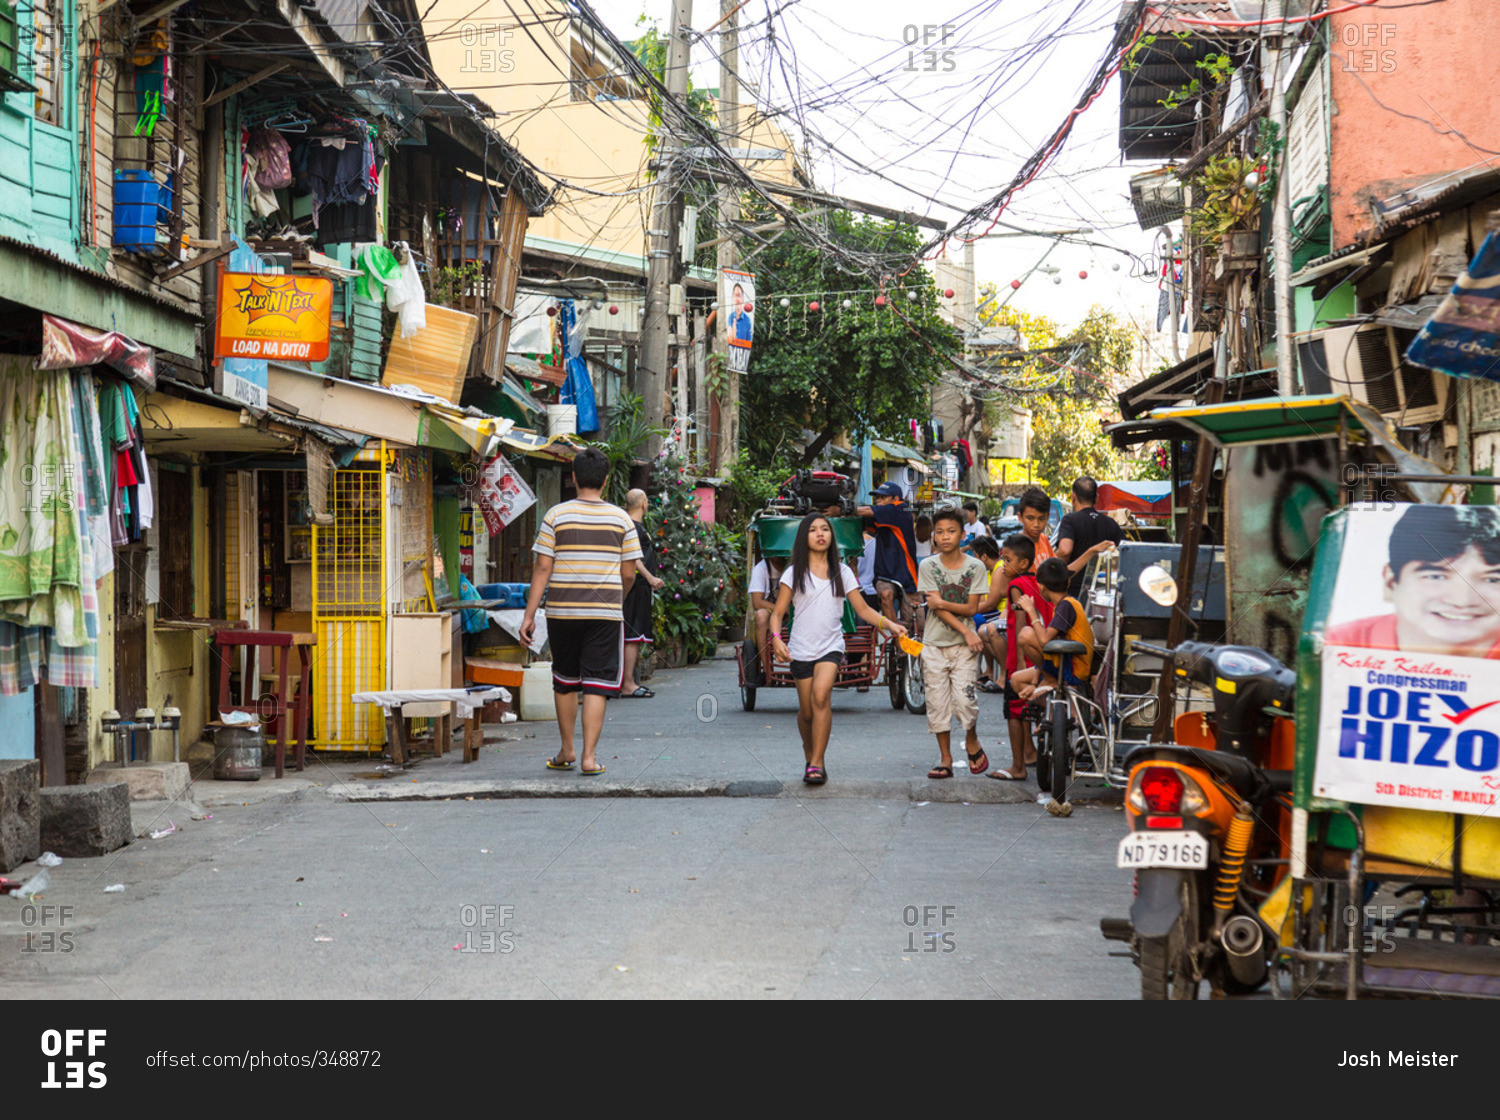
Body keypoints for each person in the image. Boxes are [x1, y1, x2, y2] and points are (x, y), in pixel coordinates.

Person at [519, 447, 640, 776]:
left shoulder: (555, 516)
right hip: (604, 615)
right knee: (598, 683)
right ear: (605, 480)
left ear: (573, 478)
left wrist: (529, 615)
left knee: (566, 679)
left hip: (562, 612)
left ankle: (566, 750)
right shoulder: (621, 519)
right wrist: (616, 598)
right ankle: (589, 757)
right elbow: (629, 574)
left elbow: (543, 567)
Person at [769, 513, 905, 784]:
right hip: (800, 649)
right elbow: (777, 613)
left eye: (825, 529)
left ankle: (818, 762)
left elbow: (864, 610)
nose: (820, 534)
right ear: (803, 537)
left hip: (831, 646)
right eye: (813, 530)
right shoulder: (793, 573)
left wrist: (891, 624)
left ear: (832, 537)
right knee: (806, 711)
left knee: (821, 697)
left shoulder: (842, 572)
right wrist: (775, 638)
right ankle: (810, 757)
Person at [1325, 505, 1500, 658]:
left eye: (1492, 579)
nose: (1462, 600)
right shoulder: (1338, 645)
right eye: (1436, 576)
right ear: (1391, 582)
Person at [917, 507, 990, 779]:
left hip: (964, 648)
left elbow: (971, 608)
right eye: (940, 532)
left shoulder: (975, 567)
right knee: (937, 704)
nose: (945, 537)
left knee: (966, 702)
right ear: (933, 537)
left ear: (962, 534)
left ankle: (972, 738)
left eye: (951, 531)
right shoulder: (928, 566)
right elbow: (935, 608)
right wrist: (967, 630)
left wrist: (943, 604)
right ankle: (945, 758)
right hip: (934, 644)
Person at [1012, 556, 1097, 701]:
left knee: (1026, 634)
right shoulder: (1062, 605)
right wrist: (1034, 681)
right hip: (1063, 660)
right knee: (1016, 679)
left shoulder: (1067, 605)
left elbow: (1044, 640)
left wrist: (1031, 612)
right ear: (1068, 582)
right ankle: (1052, 717)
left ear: (1041, 587)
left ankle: (1051, 682)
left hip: (1074, 668)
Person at [620, 488, 666, 698]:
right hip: (635, 586)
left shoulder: (629, 525)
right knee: (633, 635)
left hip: (638, 587)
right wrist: (650, 578)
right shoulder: (633, 528)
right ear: (644, 503)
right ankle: (628, 683)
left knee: (632, 635)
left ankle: (627, 681)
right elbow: (633, 558)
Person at [856, 481, 919, 627]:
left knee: (918, 625)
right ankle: (897, 638)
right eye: (877, 497)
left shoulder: (901, 509)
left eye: (883, 497)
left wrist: (845, 508)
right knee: (885, 595)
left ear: (895, 499)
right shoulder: (880, 515)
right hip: (884, 574)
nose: (878, 500)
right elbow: (868, 528)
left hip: (908, 576)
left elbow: (864, 511)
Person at [1055, 476, 1125, 600]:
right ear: (1096, 498)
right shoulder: (1110, 523)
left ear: (1073, 497)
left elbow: (1065, 551)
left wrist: (1055, 570)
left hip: (1074, 592)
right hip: (1103, 592)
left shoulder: (1070, 520)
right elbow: (1125, 552)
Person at [967, 535, 1004, 692]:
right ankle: (984, 670)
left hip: (1001, 613)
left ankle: (990, 670)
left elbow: (990, 604)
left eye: (975, 556)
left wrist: (965, 609)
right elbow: (980, 599)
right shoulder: (986, 571)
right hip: (993, 612)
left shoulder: (1000, 569)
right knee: (971, 618)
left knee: (976, 619)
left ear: (983, 556)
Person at [747, 551, 788, 686]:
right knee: (761, 615)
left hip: (796, 609)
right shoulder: (762, 568)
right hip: (773, 612)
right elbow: (757, 602)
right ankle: (767, 670)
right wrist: (781, 609)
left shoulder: (794, 566)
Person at [1016, 487, 1055, 563]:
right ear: (1020, 517)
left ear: (1047, 517)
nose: (1036, 524)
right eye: (1030, 518)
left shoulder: (1043, 539)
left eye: (1041, 519)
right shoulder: (1017, 548)